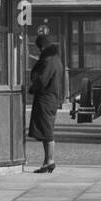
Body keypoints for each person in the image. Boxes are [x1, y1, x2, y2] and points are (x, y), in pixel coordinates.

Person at [28, 32, 63, 173]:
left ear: (42, 47)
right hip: (52, 98)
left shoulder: (48, 60)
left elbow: (42, 80)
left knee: (47, 130)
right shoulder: (55, 59)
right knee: (45, 129)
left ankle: (50, 160)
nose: (38, 50)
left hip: (46, 99)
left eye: (39, 47)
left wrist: (33, 87)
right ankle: (46, 162)